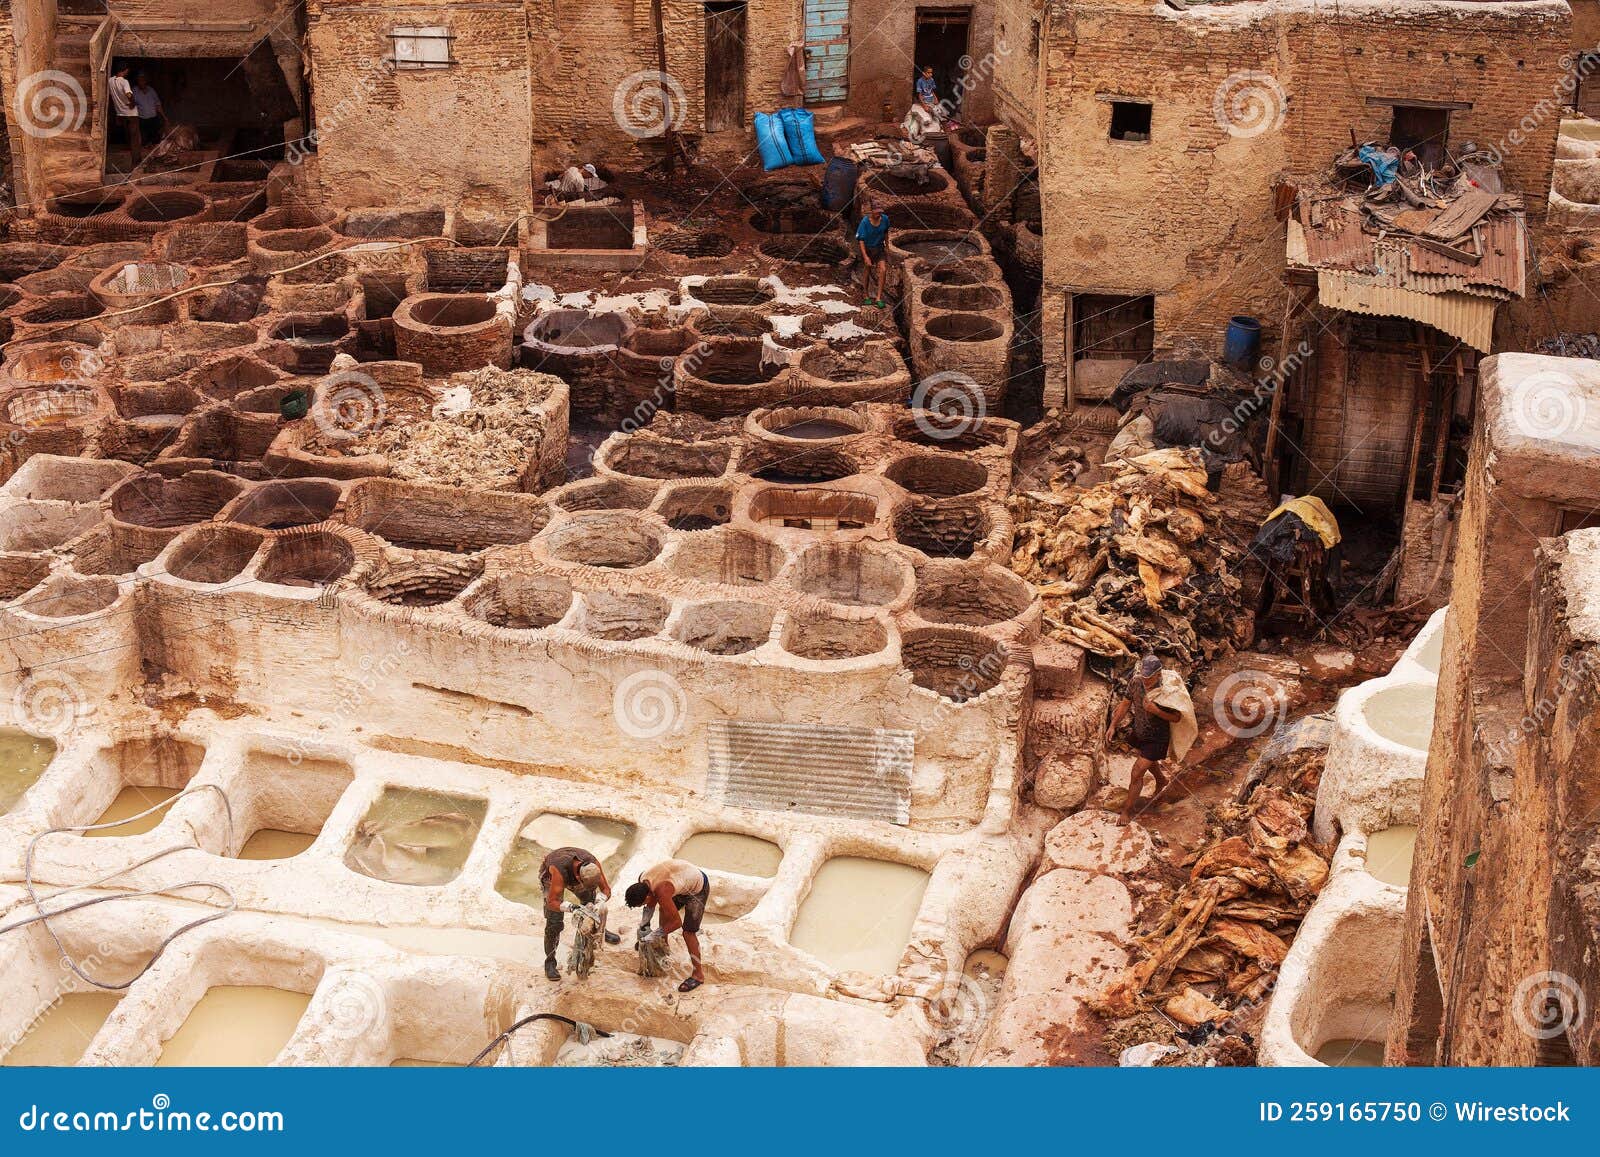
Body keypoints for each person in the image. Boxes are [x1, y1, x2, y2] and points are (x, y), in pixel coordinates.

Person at [1106, 653, 1185, 825]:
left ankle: (1127, 811)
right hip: (1140, 731)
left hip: (1157, 737)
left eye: (1150, 678)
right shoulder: (1136, 682)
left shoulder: (1166, 691)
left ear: (1158, 674)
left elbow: (1177, 718)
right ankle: (1161, 780)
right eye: (1144, 677)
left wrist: (1156, 711)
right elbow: (1125, 704)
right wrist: (1112, 725)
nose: (1146, 681)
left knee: (1137, 772)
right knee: (1147, 761)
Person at [625, 858, 709, 992]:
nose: (645, 905)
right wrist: (644, 925)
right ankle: (663, 947)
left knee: (688, 932)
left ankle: (698, 975)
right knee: (664, 910)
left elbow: (676, 923)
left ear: (647, 896)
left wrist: (653, 936)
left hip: (696, 888)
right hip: (679, 881)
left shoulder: (662, 891)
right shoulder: (643, 880)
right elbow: (650, 903)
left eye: (642, 904)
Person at [540, 846, 620, 981]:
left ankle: (601, 930)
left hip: (577, 876)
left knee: (591, 905)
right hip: (552, 877)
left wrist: (600, 900)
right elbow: (552, 902)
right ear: (578, 877)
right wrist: (571, 907)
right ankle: (550, 962)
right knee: (554, 922)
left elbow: (606, 889)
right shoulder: (558, 871)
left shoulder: (593, 865)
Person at [855, 199, 890, 308]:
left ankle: (878, 297)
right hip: (867, 248)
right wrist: (866, 257)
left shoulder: (885, 219)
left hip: (879, 248)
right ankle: (866, 295)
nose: (879, 214)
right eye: (877, 212)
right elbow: (861, 240)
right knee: (867, 269)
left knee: (883, 270)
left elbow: (886, 233)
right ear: (872, 211)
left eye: (880, 212)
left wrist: (887, 247)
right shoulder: (865, 222)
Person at [109, 63, 141, 165]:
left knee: (128, 136)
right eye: (127, 70)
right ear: (125, 70)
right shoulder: (124, 81)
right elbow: (129, 94)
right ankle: (136, 161)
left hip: (120, 113)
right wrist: (133, 102)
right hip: (131, 114)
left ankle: (129, 158)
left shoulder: (110, 80)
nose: (128, 72)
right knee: (135, 138)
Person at [132, 72, 165, 152]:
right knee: (144, 141)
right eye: (140, 80)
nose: (142, 82)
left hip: (153, 119)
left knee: (156, 140)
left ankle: (155, 153)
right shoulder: (134, 91)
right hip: (142, 119)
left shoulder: (151, 90)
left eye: (143, 80)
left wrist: (164, 117)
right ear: (137, 81)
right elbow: (131, 105)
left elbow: (158, 104)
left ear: (146, 81)